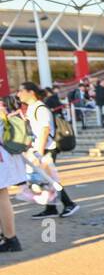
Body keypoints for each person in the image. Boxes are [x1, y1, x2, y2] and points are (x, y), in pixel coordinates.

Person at [18, 82, 78, 217]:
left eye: (21, 91)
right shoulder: (32, 108)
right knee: (46, 179)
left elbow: (45, 130)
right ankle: (51, 208)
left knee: (50, 179)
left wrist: (39, 152)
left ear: (31, 92)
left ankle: (69, 204)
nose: (18, 94)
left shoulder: (40, 108)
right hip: (40, 148)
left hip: (46, 148)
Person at [0, 100, 27, 251]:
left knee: (2, 197)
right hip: (5, 158)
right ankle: (8, 237)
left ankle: (10, 238)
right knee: (2, 197)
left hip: (2, 159)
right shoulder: (2, 108)